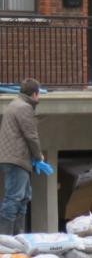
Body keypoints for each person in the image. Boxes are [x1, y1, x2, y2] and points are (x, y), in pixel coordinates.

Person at [0, 78, 51, 235]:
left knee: (24, 197)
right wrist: (39, 156)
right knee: (14, 198)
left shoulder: (15, 104)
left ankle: (18, 235)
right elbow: (31, 135)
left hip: (16, 158)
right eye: (39, 94)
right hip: (16, 159)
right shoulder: (24, 107)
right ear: (35, 94)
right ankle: (6, 239)